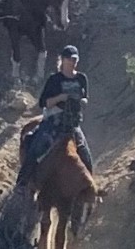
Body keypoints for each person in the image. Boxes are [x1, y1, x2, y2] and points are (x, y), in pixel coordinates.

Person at [15, 44, 92, 190]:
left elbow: (85, 97)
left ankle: (90, 187)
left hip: (72, 123)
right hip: (54, 121)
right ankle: (22, 182)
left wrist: (82, 101)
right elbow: (43, 102)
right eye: (69, 59)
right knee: (36, 147)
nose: (73, 62)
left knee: (85, 154)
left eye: (75, 59)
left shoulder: (82, 78)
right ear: (63, 60)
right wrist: (61, 97)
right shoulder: (55, 79)